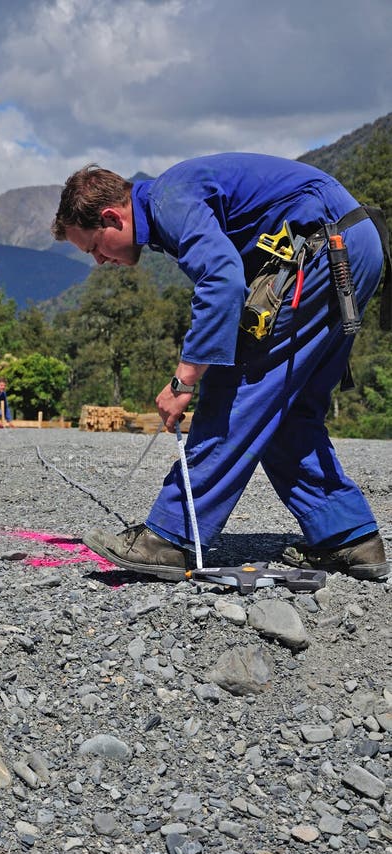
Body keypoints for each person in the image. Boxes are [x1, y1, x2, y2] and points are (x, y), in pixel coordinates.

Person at [52, 155, 391, 582]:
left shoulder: (167, 199)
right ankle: (348, 536)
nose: (99, 261)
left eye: (93, 247)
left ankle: (171, 537)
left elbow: (222, 279)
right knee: (287, 406)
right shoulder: (170, 200)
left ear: (111, 217)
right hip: (353, 245)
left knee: (236, 389)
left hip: (327, 248)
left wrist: (184, 379)